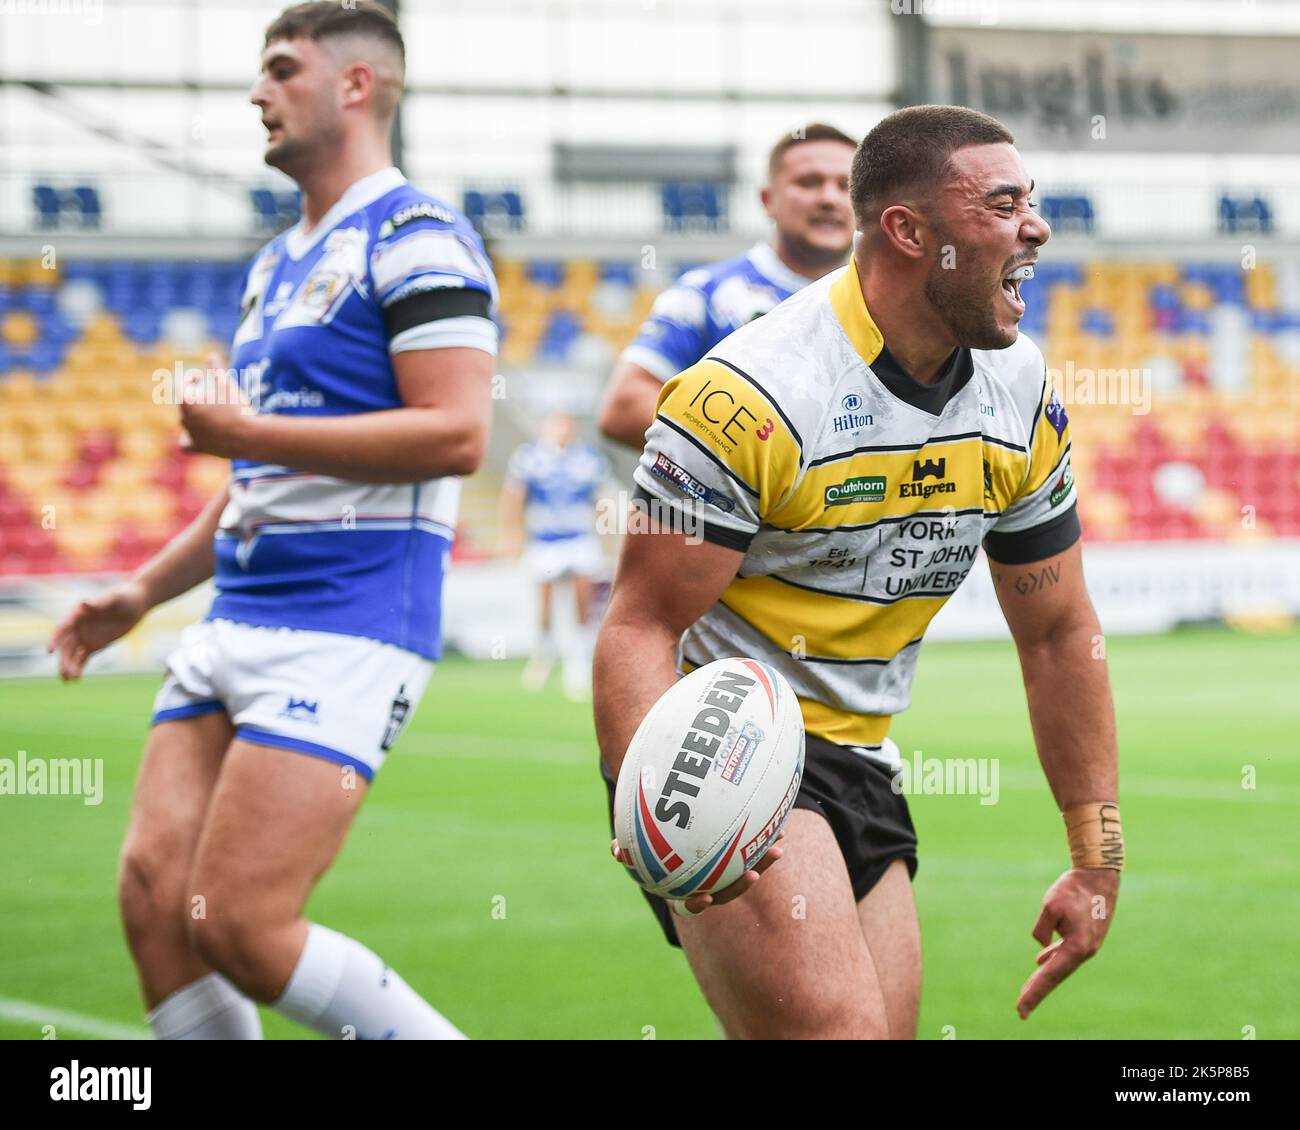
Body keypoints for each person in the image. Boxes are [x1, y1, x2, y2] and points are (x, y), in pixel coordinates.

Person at [595, 105, 1123, 1039]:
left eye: (1030, 202)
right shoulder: (749, 397)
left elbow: (1056, 631)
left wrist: (1096, 856)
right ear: (909, 231)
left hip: (863, 756)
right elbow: (639, 625)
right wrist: (663, 806)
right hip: (730, 741)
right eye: (1003, 205)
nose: (1036, 226)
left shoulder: (1019, 387)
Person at [48, 1, 497, 1040]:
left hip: (346, 622)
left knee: (242, 922)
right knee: (159, 905)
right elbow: (256, 471)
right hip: (236, 616)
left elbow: (456, 434)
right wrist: (141, 590)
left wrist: (246, 428)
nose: (257, 91)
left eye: (281, 68)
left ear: (355, 85)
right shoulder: (275, 264)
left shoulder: (417, 232)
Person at [597, 124, 857, 449]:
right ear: (768, 200)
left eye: (845, 186)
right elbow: (623, 409)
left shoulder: (885, 303)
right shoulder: (704, 294)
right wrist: (756, 452)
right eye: (808, 183)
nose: (828, 198)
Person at [499, 413, 610, 699]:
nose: (561, 430)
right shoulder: (530, 457)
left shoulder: (588, 458)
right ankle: (543, 655)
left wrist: (607, 536)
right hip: (545, 540)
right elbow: (515, 497)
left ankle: (579, 664)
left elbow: (601, 500)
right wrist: (511, 534)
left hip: (579, 538)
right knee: (545, 607)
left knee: (582, 603)